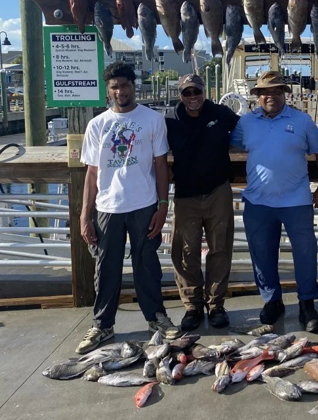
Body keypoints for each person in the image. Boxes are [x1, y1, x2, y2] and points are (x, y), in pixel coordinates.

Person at [77, 61, 178, 354]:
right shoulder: (97, 125)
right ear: (108, 91)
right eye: (114, 87)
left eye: (125, 85)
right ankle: (102, 325)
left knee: (146, 263)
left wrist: (163, 204)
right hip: (107, 207)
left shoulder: (152, 120)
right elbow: (92, 172)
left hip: (144, 204)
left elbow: (161, 165)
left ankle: (156, 317)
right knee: (106, 267)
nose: (120, 91)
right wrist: (85, 215)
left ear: (134, 87)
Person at [230, 71, 318, 333]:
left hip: (296, 200)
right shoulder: (246, 122)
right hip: (257, 201)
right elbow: (232, 147)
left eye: (276, 91)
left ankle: (307, 303)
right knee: (261, 254)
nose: (270, 96)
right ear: (257, 96)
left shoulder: (303, 120)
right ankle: (272, 301)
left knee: (305, 254)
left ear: (284, 93)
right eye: (265, 92)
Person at [166, 73, 240, 331]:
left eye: (196, 91)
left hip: (218, 189)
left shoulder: (221, 113)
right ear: (180, 95)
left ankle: (216, 304)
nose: (192, 97)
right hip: (185, 193)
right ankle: (192, 305)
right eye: (187, 93)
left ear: (203, 91)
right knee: (185, 251)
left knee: (220, 248)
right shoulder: (170, 120)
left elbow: (245, 130)